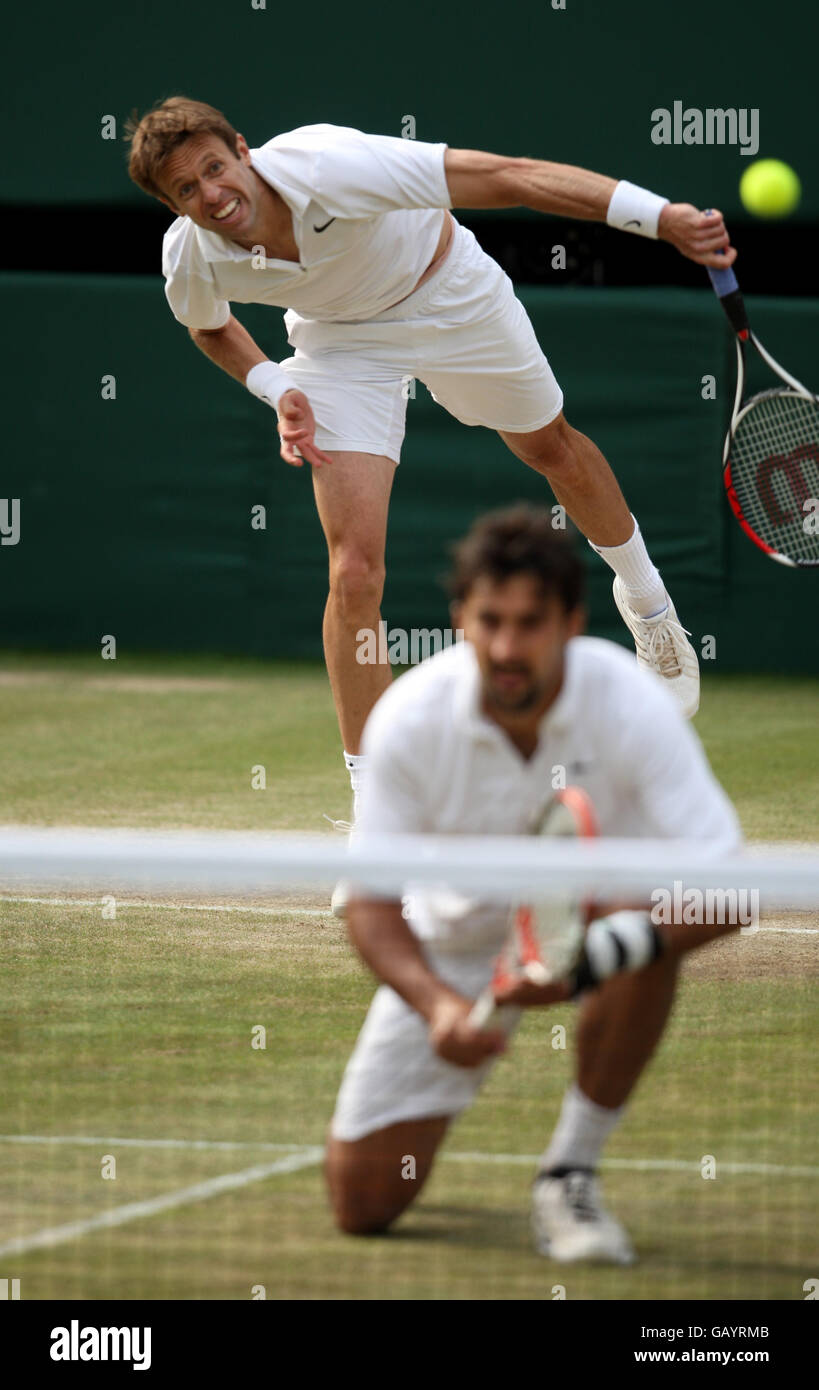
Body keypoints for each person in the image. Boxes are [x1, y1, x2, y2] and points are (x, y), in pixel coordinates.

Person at [126, 96, 735, 869]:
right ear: (172, 207)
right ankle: (381, 826)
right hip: (340, 346)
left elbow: (508, 175)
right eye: (186, 191)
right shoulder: (192, 255)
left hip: (447, 290)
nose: (211, 194)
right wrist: (275, 386)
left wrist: (660, 218)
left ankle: (648, 607)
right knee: (352, 572)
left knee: (549, 446)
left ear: (242, 151)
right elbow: (207, 323)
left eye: (215, 168)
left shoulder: (331, 167)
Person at [326, 505, 742, 1263]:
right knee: (361, 1203)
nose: (507, 646)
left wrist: (595, 956)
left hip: (596, 921)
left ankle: (568, 1170)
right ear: (459, 620)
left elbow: (728, 887)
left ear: (571, 623)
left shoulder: (630, 705)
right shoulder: (409, 720)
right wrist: (438, 1004)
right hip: (454, 942)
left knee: (645, 933)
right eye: (490, 620)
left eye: (530, 622)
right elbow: (370, 904)